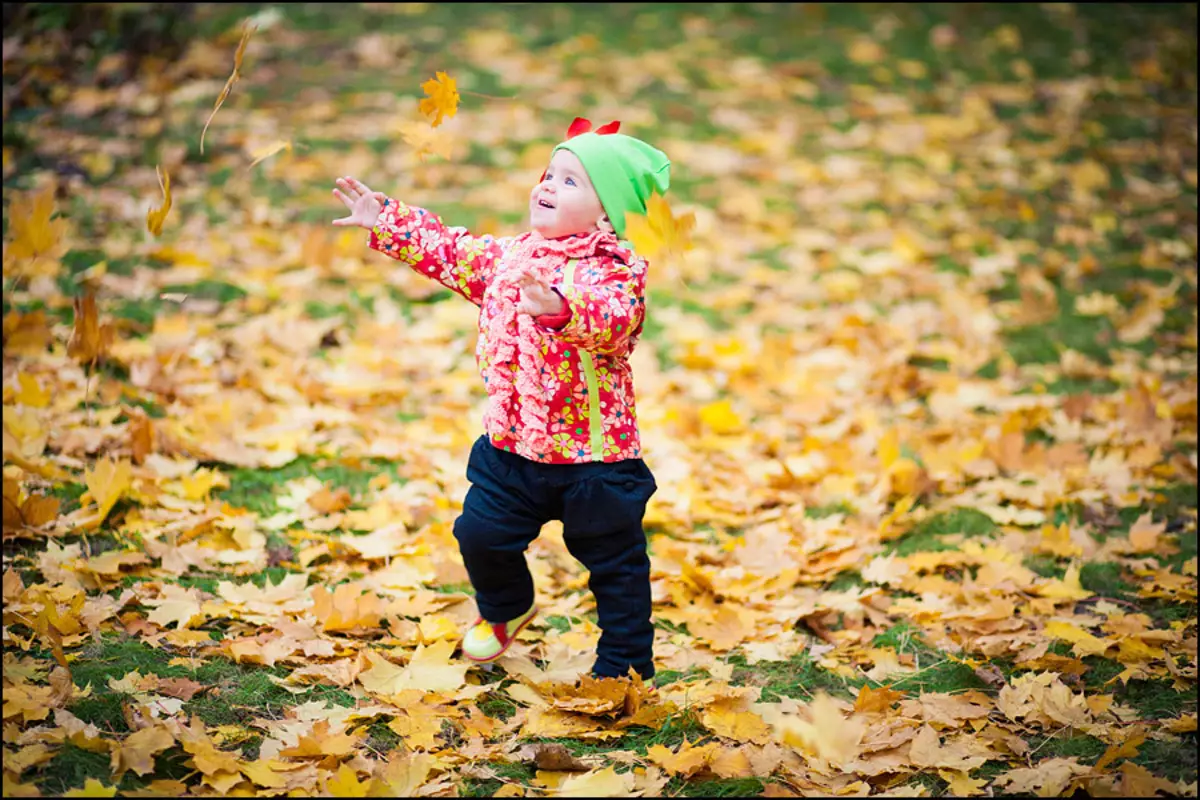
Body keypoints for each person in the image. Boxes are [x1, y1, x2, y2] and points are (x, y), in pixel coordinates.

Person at [331, 117, 668, 681]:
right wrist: (385, 219)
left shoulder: (617, 272)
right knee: (480, 534)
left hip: (595, 460)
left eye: (569, 182)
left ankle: (624, 665)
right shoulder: (511, 258)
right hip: (513, 445)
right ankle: (507, 605)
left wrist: (560, 308)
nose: (546, 186)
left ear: (607, 211)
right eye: (548, 173)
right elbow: (453, 251)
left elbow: (614, 320)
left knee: (616, 566)